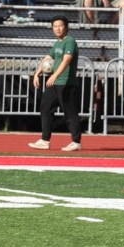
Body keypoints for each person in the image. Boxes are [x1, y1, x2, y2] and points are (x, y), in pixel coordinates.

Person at [23, 16, 86, 151]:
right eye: (55, 26)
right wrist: (37, 73)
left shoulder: (70, 41)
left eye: (60, 25)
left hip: (66, 83)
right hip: (55, 83)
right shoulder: (57, 43)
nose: (57, 28)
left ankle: (76, 142)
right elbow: (48, 58)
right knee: (45, 108)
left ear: (66, 27)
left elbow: (66, 60)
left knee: (70, 113)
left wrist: (55, 75)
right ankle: (45, 140)